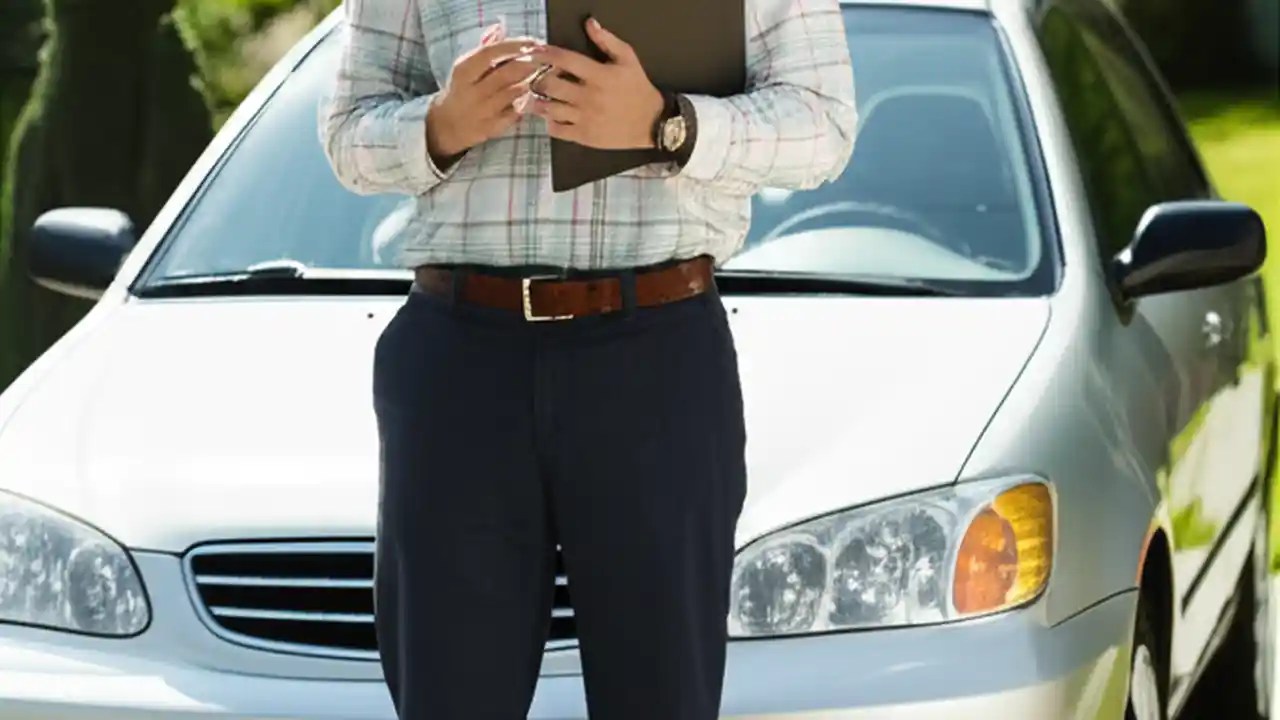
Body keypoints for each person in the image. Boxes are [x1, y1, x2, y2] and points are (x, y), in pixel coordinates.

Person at [319, 0, 855, 716]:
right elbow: (346, 134)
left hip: (659, 360)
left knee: (661, 696)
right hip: (458, 366)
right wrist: (441, 125)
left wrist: (667, 124)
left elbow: (824, 126)